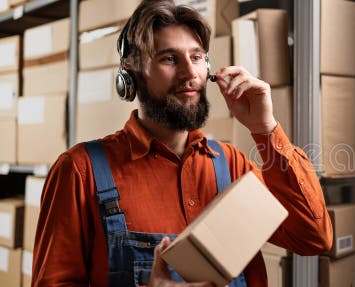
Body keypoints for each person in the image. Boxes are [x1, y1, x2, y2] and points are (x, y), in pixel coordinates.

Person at [31, 1, 332, 286]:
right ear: (131, 74)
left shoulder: (231, 165)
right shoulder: (79, 171)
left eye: (197, 57)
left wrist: (265, 130)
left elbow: (313, 238)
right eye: (169, 59)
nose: (190, 74)